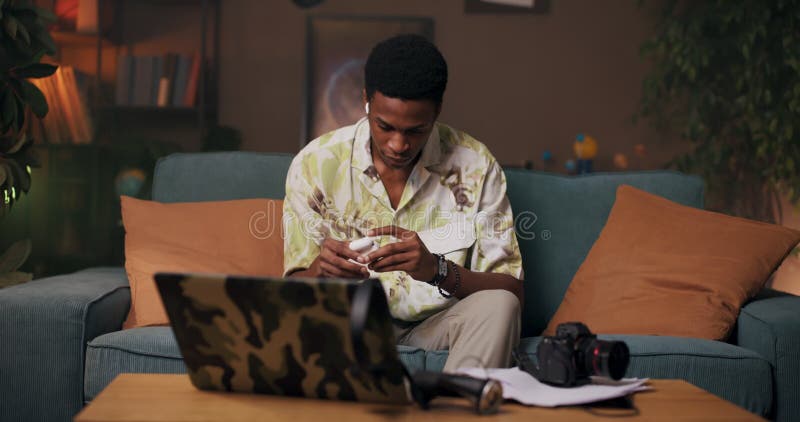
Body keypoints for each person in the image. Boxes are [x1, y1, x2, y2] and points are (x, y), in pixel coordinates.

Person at [283, 34, 523, 372]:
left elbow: (511, 290)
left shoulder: (475, 166)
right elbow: (290, 295)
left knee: (499, 304)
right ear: (366, 99)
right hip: (347, 326)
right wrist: (319, 273)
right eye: (385, 126)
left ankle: (459, 408)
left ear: (437, 110)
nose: (398, 144)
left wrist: (437, 271)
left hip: (437, 328)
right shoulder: (314, 164)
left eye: (415, 130)